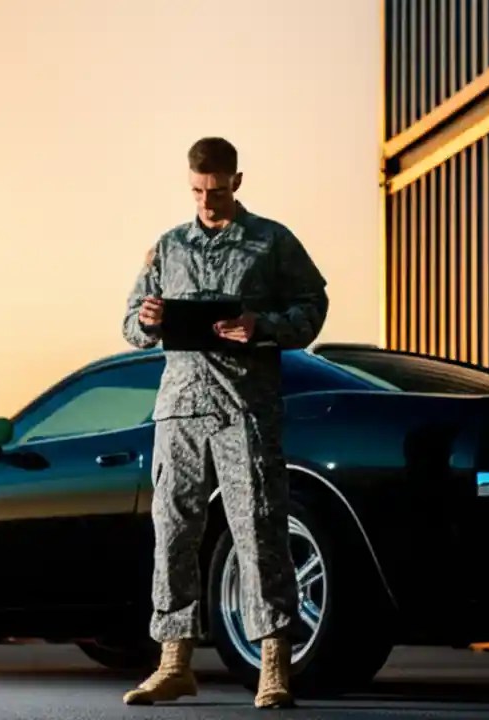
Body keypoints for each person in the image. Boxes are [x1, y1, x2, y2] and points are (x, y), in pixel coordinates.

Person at [119, 137, 329, 708]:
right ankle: (174, 662)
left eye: (215, 189)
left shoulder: (272, 242)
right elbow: (131, 325)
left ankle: (274, 665)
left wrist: (262, 326)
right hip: (180, 407)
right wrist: (147, 318)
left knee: (259, 528)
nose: (206, 201)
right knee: (173, 529)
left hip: (245, 406)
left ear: (236, 181)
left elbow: (313, 306)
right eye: (196, 190)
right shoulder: (168, 247)